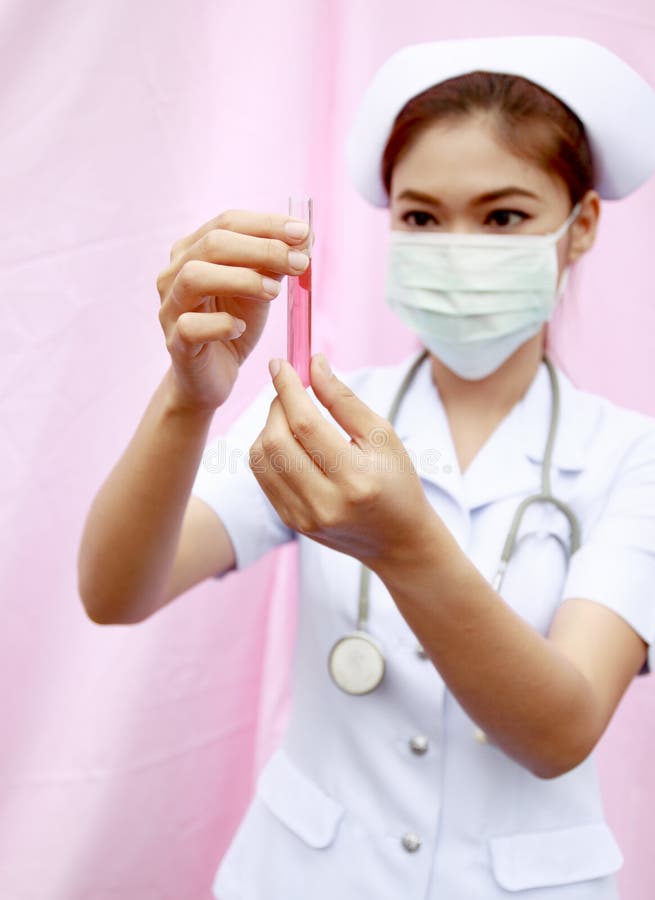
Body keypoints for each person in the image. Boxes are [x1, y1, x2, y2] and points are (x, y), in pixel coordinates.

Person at [78, 35, 655, 899]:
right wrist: (186, 399)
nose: (458, 246)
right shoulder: (317, 413)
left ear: (581, 228)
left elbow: (559, 730)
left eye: (502, 217)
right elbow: (116, 592)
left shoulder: (631, 458)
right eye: (421, 217)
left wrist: (402, 541)